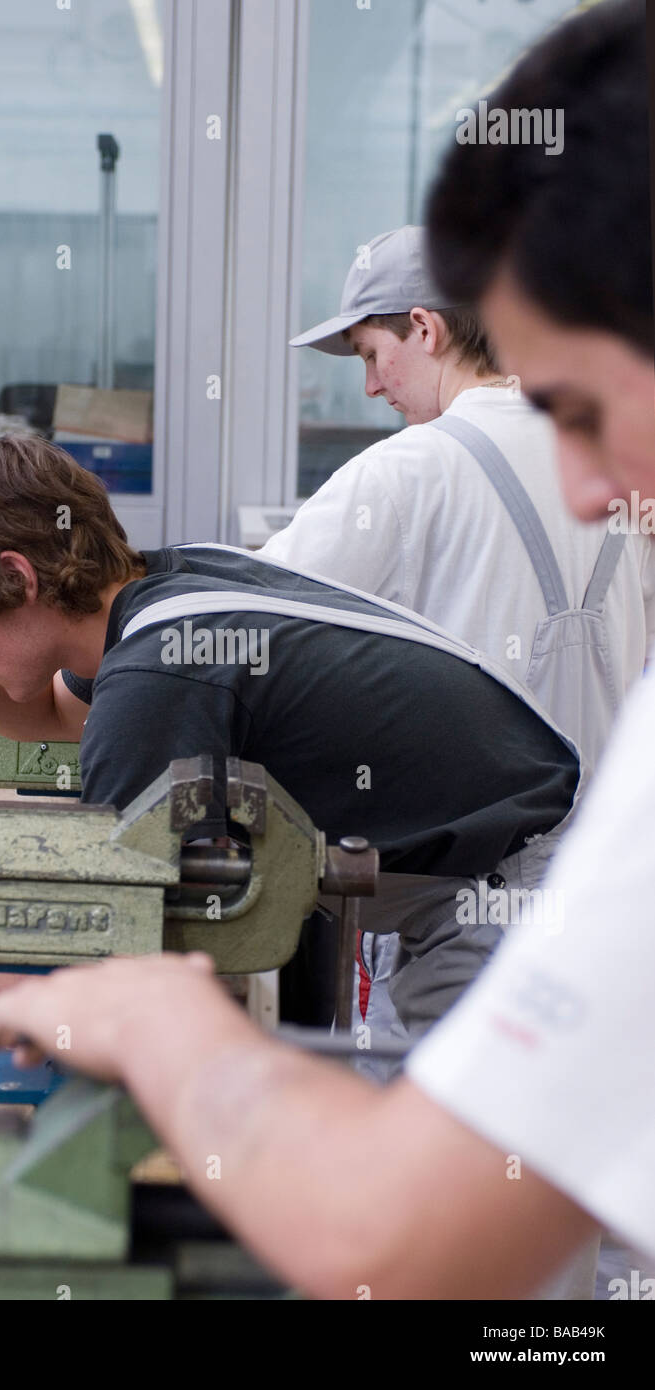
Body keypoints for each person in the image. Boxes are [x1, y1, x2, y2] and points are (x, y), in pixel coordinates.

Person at [0, 0, 655, 1298]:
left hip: (511, 904)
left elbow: (385, 1240)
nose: (576, 488)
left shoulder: (404, 477)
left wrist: (164, 1020)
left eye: (579, 407)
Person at [0, 436, 579, 1032]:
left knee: (460, 1222)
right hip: (497, 871)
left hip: (505, 911)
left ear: (17, 577)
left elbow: (83, 987)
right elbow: (68, 719)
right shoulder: (163, 597)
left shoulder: (157, 676)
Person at [261, 225, 655, 1076]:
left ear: (426, 329)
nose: (370, 387)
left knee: (428, 1169)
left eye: (372, 354)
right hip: (612, 904)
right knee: (562, 1174)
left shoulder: (405, 473)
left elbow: (235, 626)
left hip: (470, 916)